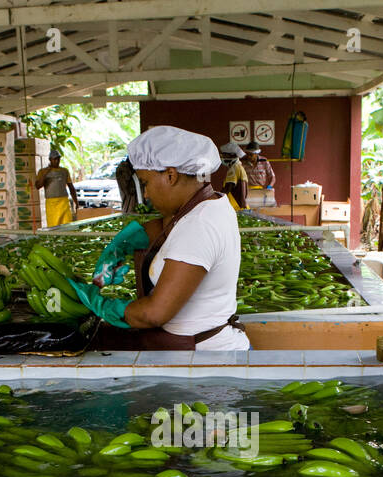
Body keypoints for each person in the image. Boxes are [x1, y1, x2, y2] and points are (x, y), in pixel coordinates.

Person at [66, 126, 249, 351]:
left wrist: (102, 306)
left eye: (146, 183)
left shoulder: (199, 225)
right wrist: (123, 243)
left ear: (170, 175)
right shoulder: (211, 204)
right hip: (201, 347)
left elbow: (154, 313)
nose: (148, 195)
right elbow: (168, 226)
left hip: (203, 360)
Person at [34, 148, 79, 227]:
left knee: (67, 225)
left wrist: (76, 202)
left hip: (63, 202)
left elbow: (71, 187)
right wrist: (45, 174)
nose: (57, 161)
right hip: (51, 203)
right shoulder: (42, 171)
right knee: (53, 226)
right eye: (54, 159)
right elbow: (38, 186)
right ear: (50, 160)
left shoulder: (64, 171)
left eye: (58, 159)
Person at [241, 140, 275, 208]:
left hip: (261, 191)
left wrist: (270, 186)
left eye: (251, 155)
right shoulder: (242, 162)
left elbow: (272, 177)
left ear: (256, 154)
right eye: (247, 154)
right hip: (247, 192)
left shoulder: (264, 161)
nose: (248, 157)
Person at [219, 143, 248, 211]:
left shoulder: (234, 168)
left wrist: (216, 199)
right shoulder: (238, 166)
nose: (222, 157)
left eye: (224, 155)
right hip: (239, 205)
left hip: (235, 206)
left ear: (232, 155)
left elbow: (228, 188)